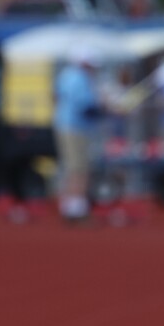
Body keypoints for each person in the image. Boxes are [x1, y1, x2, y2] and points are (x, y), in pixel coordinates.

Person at [53, 44, 104, 222]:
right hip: (75, 127)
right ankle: (76, 209)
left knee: (73, 167)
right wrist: (107, 109)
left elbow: (56, 97)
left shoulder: (66, 75)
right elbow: (86, 106)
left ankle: (71, 206)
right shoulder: (79, 78)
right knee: (79, 168)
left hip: (67, 125)